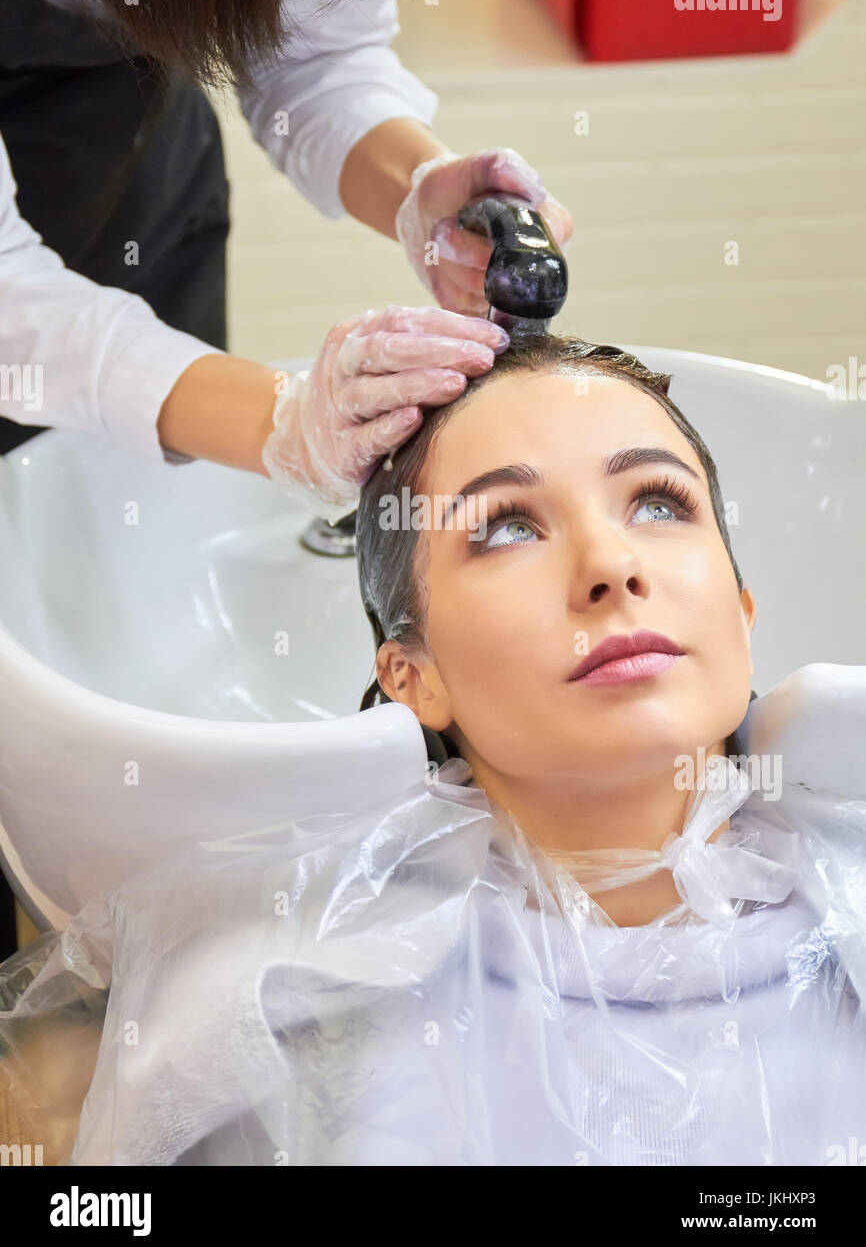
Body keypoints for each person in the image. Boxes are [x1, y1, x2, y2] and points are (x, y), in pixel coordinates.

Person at [2, 334, 864, 1166]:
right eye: (507, 528)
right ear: (412, 675)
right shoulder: (284, 1012)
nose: (611, 564)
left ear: (743, 616)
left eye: (658, 503)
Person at [0, 0, 573, 511]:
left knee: (130, 528)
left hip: (138, 188)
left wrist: (418, 192)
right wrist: (280, 425)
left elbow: (313, 54)